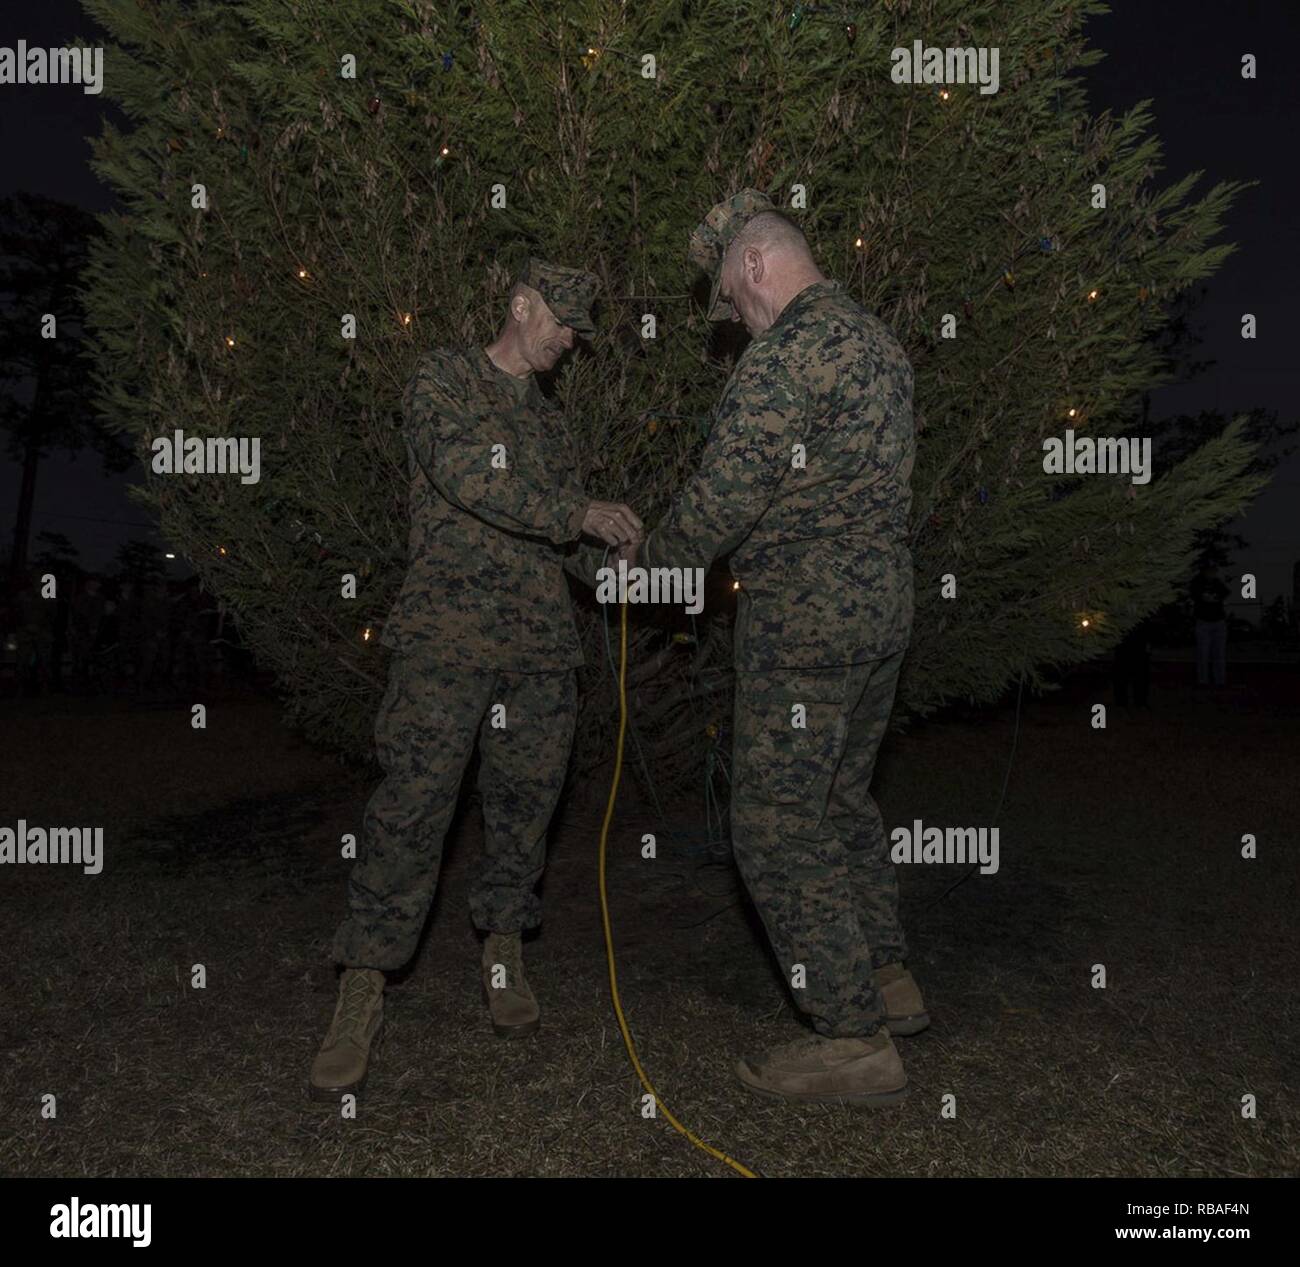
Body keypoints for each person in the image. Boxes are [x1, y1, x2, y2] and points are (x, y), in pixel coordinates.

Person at [310, 258, 642, 1101]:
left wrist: (623, 558)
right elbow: (471, 478)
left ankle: (502, 956)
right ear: (521, 304)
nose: (570, 341)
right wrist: (576, 513)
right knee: (411, 808)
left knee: (524, 813)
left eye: (579, 332)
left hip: (538, 654)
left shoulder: (555, 428)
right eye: (562, 322)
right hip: (445, 644)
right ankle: (363, 985)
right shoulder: (444, 380)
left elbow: (562, 544)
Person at [631, 191, 924, 1105]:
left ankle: (852, 1039)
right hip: (884, 610)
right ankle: (887, 977)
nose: (732, 314)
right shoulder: (883, 346)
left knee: (773, 824)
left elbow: (722, 502)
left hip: (809, 617)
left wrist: (651, 562)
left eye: (729, 290)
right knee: (840, 798)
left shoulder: (786, 353)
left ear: (755, 262)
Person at [1190, 562, 1229, 687]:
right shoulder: (1196, 582)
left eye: (1214, 570)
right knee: (1203, 653)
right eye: (1210, 570)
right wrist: (1209, 597)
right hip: (1203, 622)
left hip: (1218, 621)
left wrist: (1214, 596)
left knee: (1219, 654)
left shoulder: (1217, 582)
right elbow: (1200, 596)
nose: (1212, 573)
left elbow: (1225, 593)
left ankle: (1219, 681)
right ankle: (1203, 681)